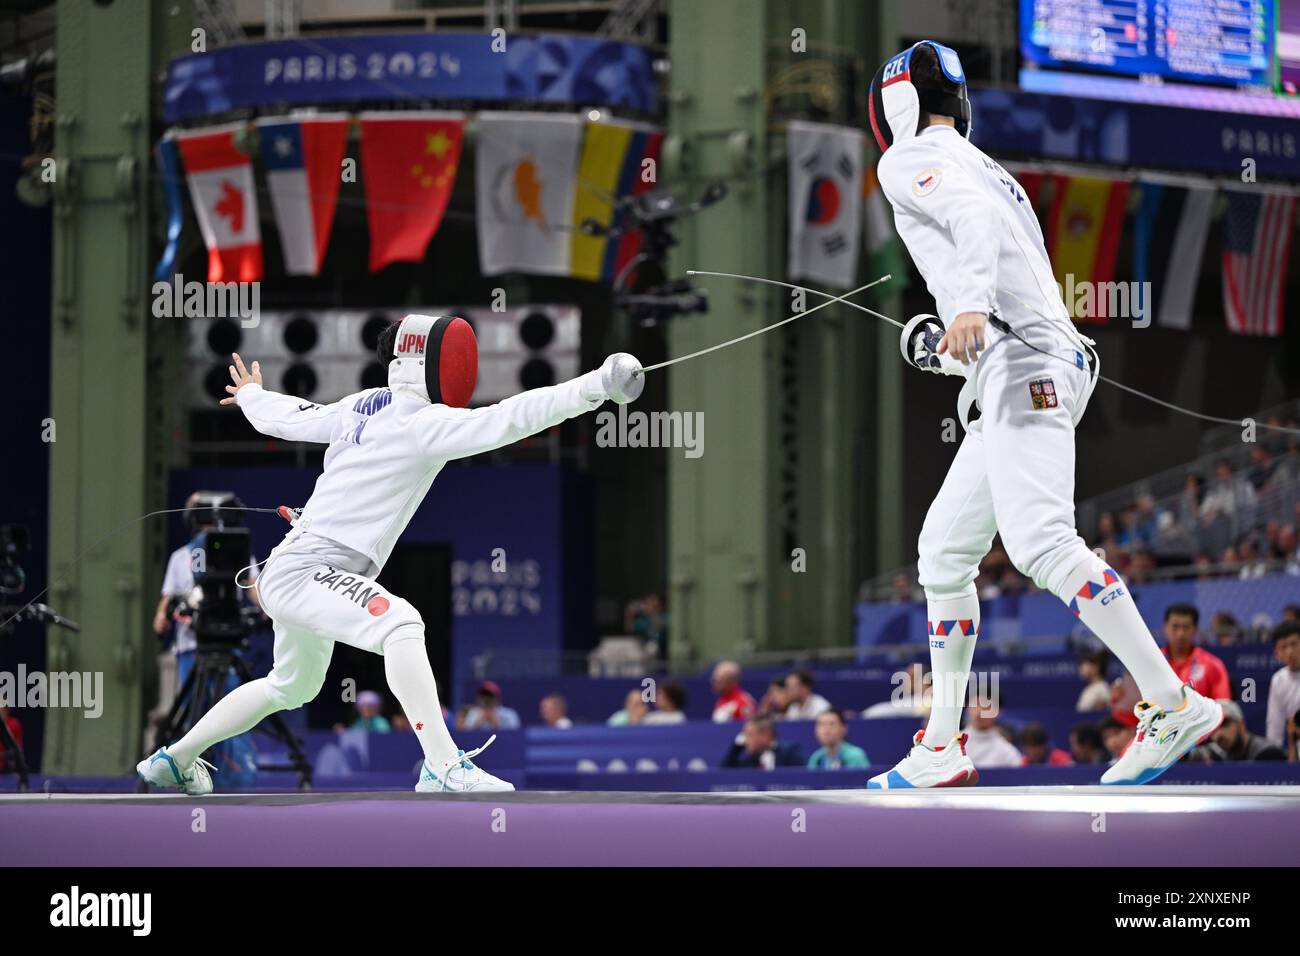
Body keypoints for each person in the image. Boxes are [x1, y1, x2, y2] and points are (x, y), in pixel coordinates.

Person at [864, 41, 1220, 788]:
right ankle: (942, 744)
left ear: (891, 106)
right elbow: (1003, 272)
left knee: (1041, 543)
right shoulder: (983, 163)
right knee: (943, 553)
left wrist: (965, 305)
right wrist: (949, 345)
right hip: (1022, 364)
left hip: (1027, 366)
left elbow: (970, 230)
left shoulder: (911, 162)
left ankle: (1172, 699)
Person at [138, 317, 643, 794]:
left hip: (296, 568)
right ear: (436, 364)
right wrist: (595, 385)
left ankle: (175, 758)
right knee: (400, 624)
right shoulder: (423, 424)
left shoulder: (365, 403)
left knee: (290, 686)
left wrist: (251, 395)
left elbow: (288, 417)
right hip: (308, 570)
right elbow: (510, 419)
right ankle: (443, 765)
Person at [1160, 603, 1232, 701]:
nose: (1180, 634)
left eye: (1186, 627)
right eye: (1175, 627)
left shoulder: (1213, 665)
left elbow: (1222, 707)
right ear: (1165, 628)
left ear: (1196, 630)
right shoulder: (1153, 662)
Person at [1209, 701, 1285, 761]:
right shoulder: (1216, 756)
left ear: (1241, 724)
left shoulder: (1268, 755)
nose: (1219, 733)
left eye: (1225, 724)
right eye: (1213, 728)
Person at [720, 715, 803, 769]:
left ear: (766, 736)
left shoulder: (790, 753)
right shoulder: (750, 761)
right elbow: (724, 774)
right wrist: (736, 747)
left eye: (749, 734)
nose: (744, 740)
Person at [1267, 621, 1300, 748]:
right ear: (1276, 652)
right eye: (1283, 647)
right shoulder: (1278, 680)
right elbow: (1275, 727)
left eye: (1294, 644)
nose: (1290, 652)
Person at [457, 681, 521, 731]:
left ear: (497, 698)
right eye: (483, 696)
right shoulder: (472, 713)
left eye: (489, 696)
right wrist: (478, 721)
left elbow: (515, 735)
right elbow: (465, 736)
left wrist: (495, 723)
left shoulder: (509, 714)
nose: (486, 699)